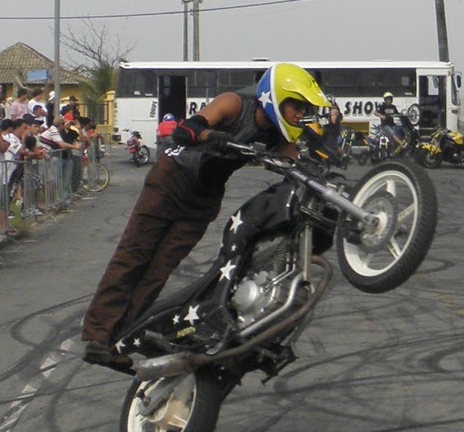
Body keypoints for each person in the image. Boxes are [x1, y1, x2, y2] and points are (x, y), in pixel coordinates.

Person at [80, 63, 330, 371]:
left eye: (304, 109)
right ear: (276, 96)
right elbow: (186, 129)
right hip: (170, 181)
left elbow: (291, 165)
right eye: (296, 106)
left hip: (204, 198)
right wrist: (212, 136)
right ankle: (97, 337)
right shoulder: (234, 104)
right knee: (132, 256)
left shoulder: (277, 133)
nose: (299, 114)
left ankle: (119, 341)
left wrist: (317, 174)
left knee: (159, 271)